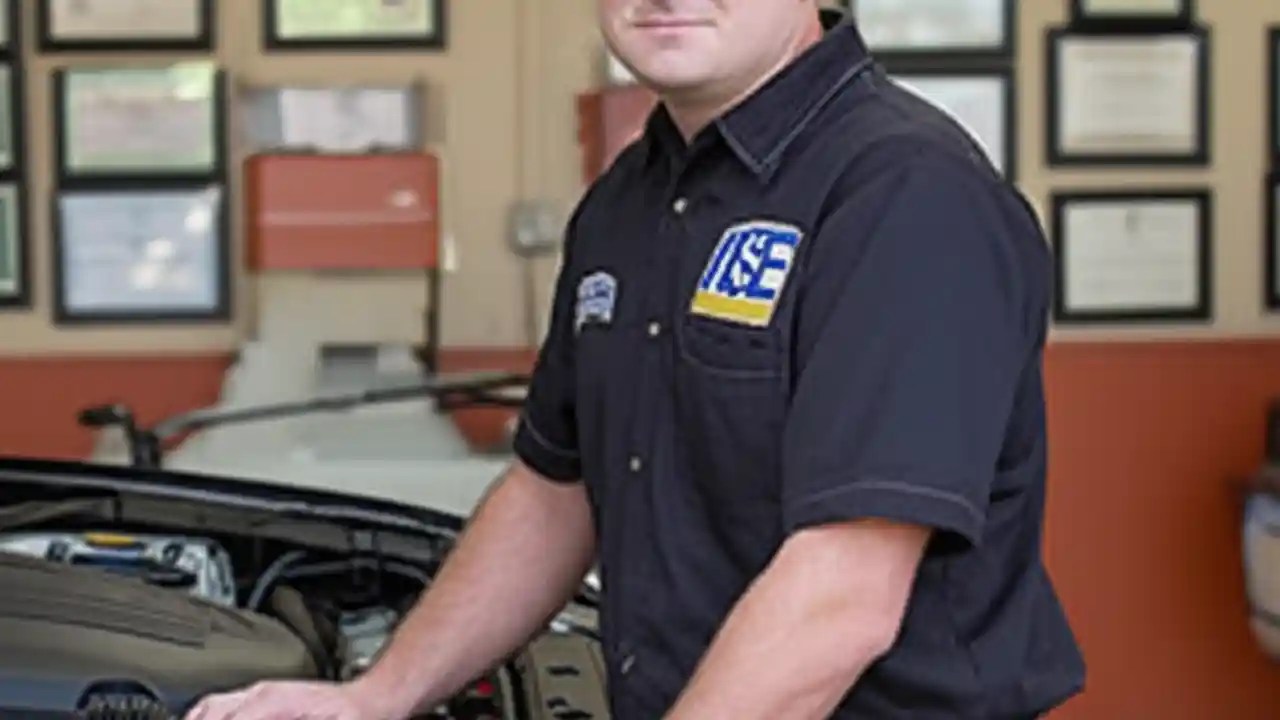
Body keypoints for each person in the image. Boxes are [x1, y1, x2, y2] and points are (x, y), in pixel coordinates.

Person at [186, 1, 1086, 718]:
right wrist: (374, 698)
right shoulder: (629, 199)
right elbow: (554, 490)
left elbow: (842, 592)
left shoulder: (905, 196)